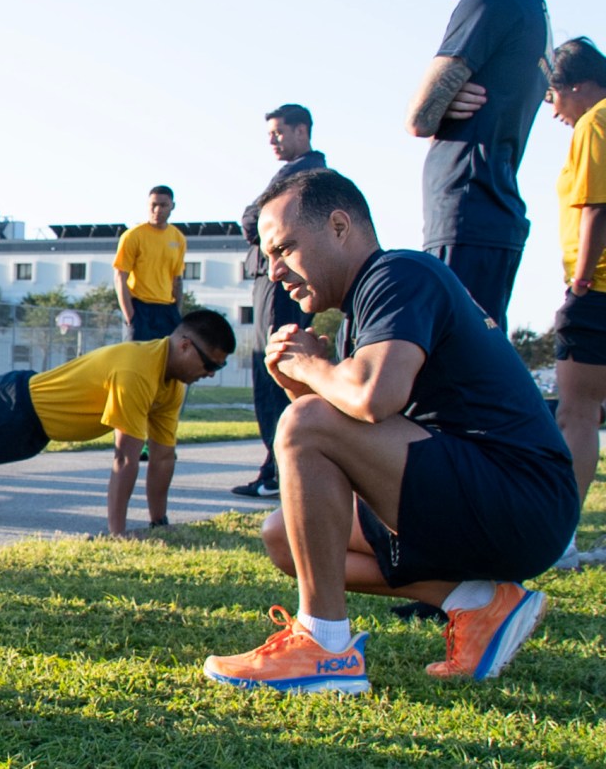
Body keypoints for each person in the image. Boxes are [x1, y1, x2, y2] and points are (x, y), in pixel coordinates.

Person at [202, 169, 577, 694]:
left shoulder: (397, 273)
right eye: (268, 259)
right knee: (285, 535)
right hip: (481, 494)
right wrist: (298, 381)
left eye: (284, 249)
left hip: (519, 497)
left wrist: (312, 368)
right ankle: (477, 603)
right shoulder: (365, 309)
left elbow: (373, 397)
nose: (275, 271)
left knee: (304, 423)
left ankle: (323, 647)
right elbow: (331, 449)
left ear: (338, 226)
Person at [0, 311, 236, 536]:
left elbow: (163, 458)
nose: (211, 373)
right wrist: (118, 535)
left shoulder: (171, 385)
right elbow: (124, 459)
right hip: (11, 412)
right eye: (210, 364)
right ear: (184, 345)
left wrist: (158, 523)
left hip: (27, 428)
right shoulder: (138, 372)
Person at [404, 0, 551, 329]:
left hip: (467, 211)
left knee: (457, 372)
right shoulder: (531, 4)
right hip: (489, 212)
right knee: (476, 364)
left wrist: (434, 107)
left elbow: (418, 117)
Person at [233, 105, 325, 498]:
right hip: (267, 283)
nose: (272, 140)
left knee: (276, 369)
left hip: (280, 284)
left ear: (301, 131)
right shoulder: (290, 172)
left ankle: (279, 471)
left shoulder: (305, 174)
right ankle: (275, 467)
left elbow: (253, 220)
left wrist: (257, 217)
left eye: (278, 132)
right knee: (269, 371)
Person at [545, 37, 606, 570]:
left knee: (577, 414)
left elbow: (593, 207)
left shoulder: (595, 122)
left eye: (554, 94)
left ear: (579, 86)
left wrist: (581, 282)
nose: (552, 107)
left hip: (599, 292)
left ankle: (558, 540)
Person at [114, 186, 186, 342]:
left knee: (168, 362)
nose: (157, 210)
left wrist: (176, 312)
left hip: (167, 310)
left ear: (172, 206)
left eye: (163, 205)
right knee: (138, 361)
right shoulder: (133, 236)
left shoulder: (178, 238)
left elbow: (177, 279)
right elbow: (120, 276)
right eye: (153, 205)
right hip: (140, 308)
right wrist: (130, 316)